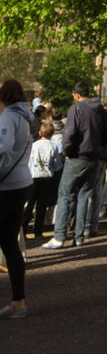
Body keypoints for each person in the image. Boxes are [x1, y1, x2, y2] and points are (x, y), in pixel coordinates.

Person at [42, 80, 107, 250]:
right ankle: (78, 237)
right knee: (84, 195)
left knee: (65, 195)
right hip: (95, 158)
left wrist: (67, 152)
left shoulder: (76, 109)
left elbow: (69, 135)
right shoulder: (100, 110)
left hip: (77, 157)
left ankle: (59, 236)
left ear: (77, 95)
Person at [0, 79, 34, 317]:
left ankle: (18, 303)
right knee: (10, 244)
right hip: (21, 180)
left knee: (8, 244)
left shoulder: (8, 118)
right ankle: (18, 301)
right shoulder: (24, 117)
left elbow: (4, 145)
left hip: (6, 185)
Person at [22, 119, 63, 241]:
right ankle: (38, 231)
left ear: (40, 133)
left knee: (29, 205)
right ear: (52, 134)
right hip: (46, 177)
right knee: (41, 206)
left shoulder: (34, 145)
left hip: (33, 176)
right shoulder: (53, 146)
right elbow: (57, 165)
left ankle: (23, 229)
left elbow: (28, 162)